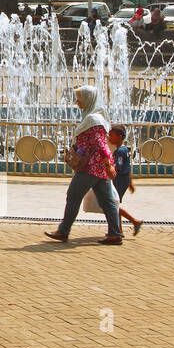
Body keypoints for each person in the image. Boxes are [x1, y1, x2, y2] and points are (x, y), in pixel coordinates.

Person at [45, 85, 124, 244]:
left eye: (80, 98)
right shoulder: (96, 117)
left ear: (88, 99)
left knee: (73, 196)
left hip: (90, 167)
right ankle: (115, 234)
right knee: (107, 200)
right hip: (99, 167)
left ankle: (63, 231)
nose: (77, 101)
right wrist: (106, 164)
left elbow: (101, 143)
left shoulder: (93, 119)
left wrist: (109, 163)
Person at [108, 125, 144, 235]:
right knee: (114, 204)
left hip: (119, 180)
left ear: (119, 137)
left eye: (111, 136)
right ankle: (118, 230)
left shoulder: (120, 152)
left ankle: (135, 221)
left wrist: (108, 169)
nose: (109, 138)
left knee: (114, 204)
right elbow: (128, 168)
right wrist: (130, 183)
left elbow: (118, 166)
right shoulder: (123, 150)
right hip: (123, 180)